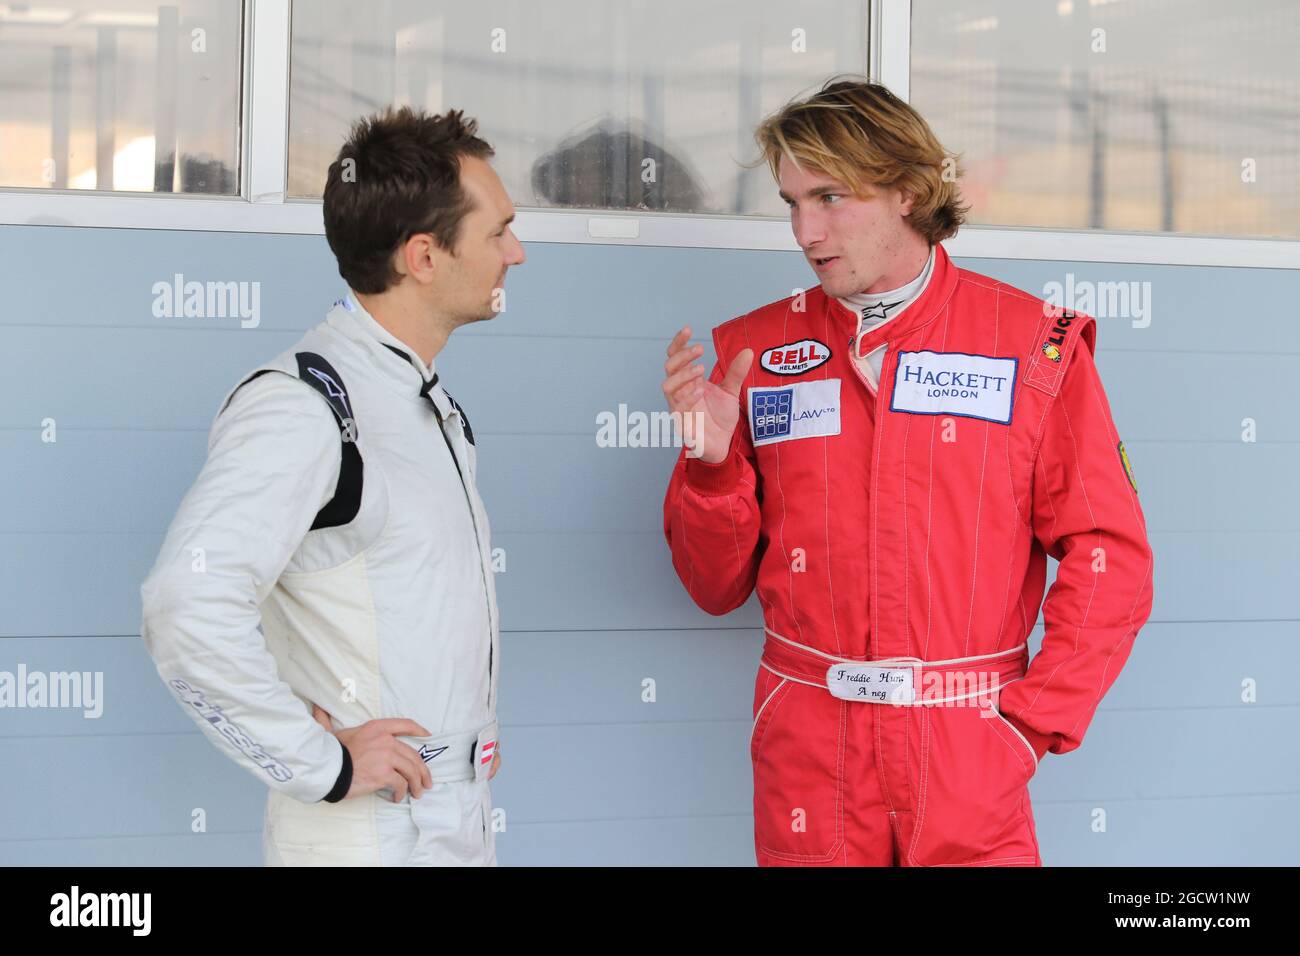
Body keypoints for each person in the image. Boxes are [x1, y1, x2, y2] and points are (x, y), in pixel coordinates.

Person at [661, 78, 1154, 867]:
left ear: (907, 192)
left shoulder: (1034, 344)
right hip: (810, 762)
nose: (804, 231)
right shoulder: (750, 355)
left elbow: (1112, 558)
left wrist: (1027, 728)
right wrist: (710, 468)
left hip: (968, 753)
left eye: (829, 198)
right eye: (790, 203)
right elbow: (713, 588)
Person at [141, 106, 525, 866]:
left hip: (452, 818)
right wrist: (323, 764)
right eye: (498, 231)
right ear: (424, 257)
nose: (517, 252)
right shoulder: (304, 404)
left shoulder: (424, 401)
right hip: (369, 836)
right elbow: (184, 602)